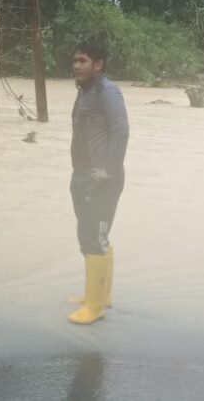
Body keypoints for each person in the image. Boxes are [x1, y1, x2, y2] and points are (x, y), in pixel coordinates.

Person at [67, 37, 129, 325]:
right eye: (75, 60)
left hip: (102, 181)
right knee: (87, 235)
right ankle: (98, 296)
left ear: (99, 64)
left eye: (83, 61)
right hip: (82, 176)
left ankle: (96, 306)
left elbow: (121, 130)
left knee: (96, 237)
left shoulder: (108, 92)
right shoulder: (85, 91)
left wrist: (109, 169)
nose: (76, 65)